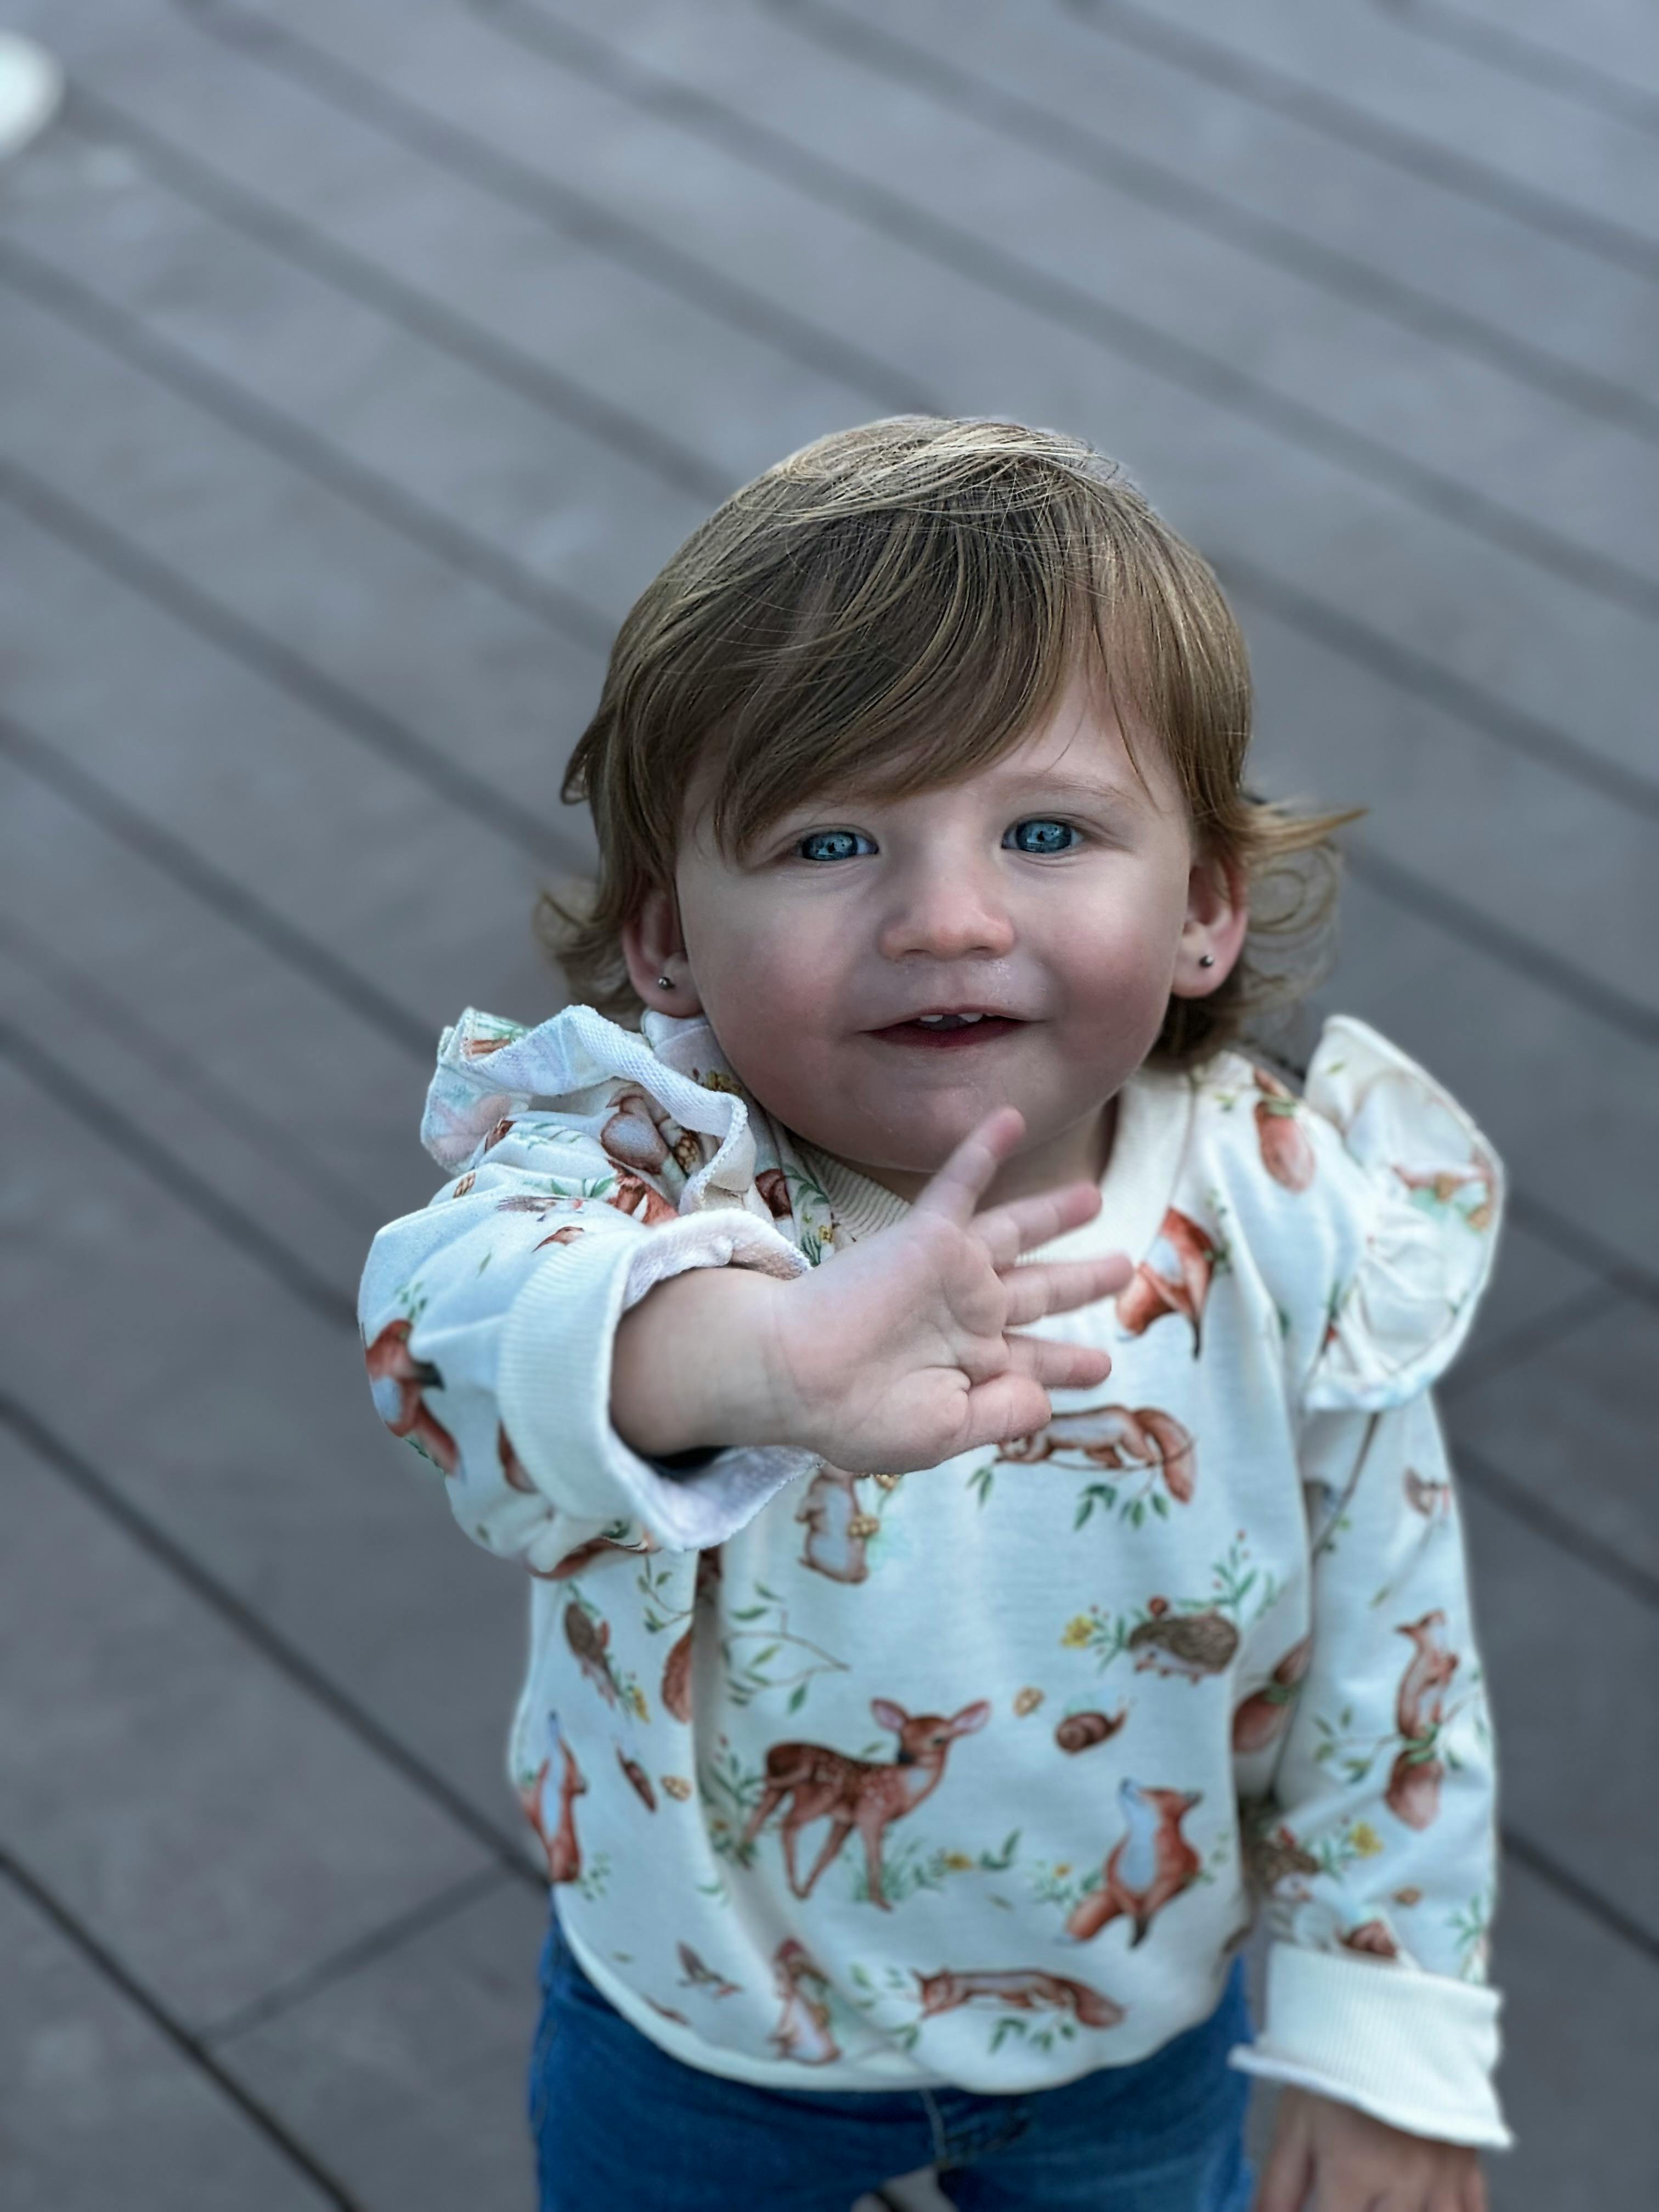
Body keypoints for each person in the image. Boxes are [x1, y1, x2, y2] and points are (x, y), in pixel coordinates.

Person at [358, 418, 1509, 2210]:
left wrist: (1386, 2031)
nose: (947, 918)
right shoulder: (653, 1174)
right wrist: (745, 1357)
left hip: (1130, 2033)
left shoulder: (1289, 1214)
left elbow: (1397, 1641)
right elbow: (445, 1334)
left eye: (1045, 831)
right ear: (667, 941)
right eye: (831, 841)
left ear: (1204, 907)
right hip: (706, 2033)